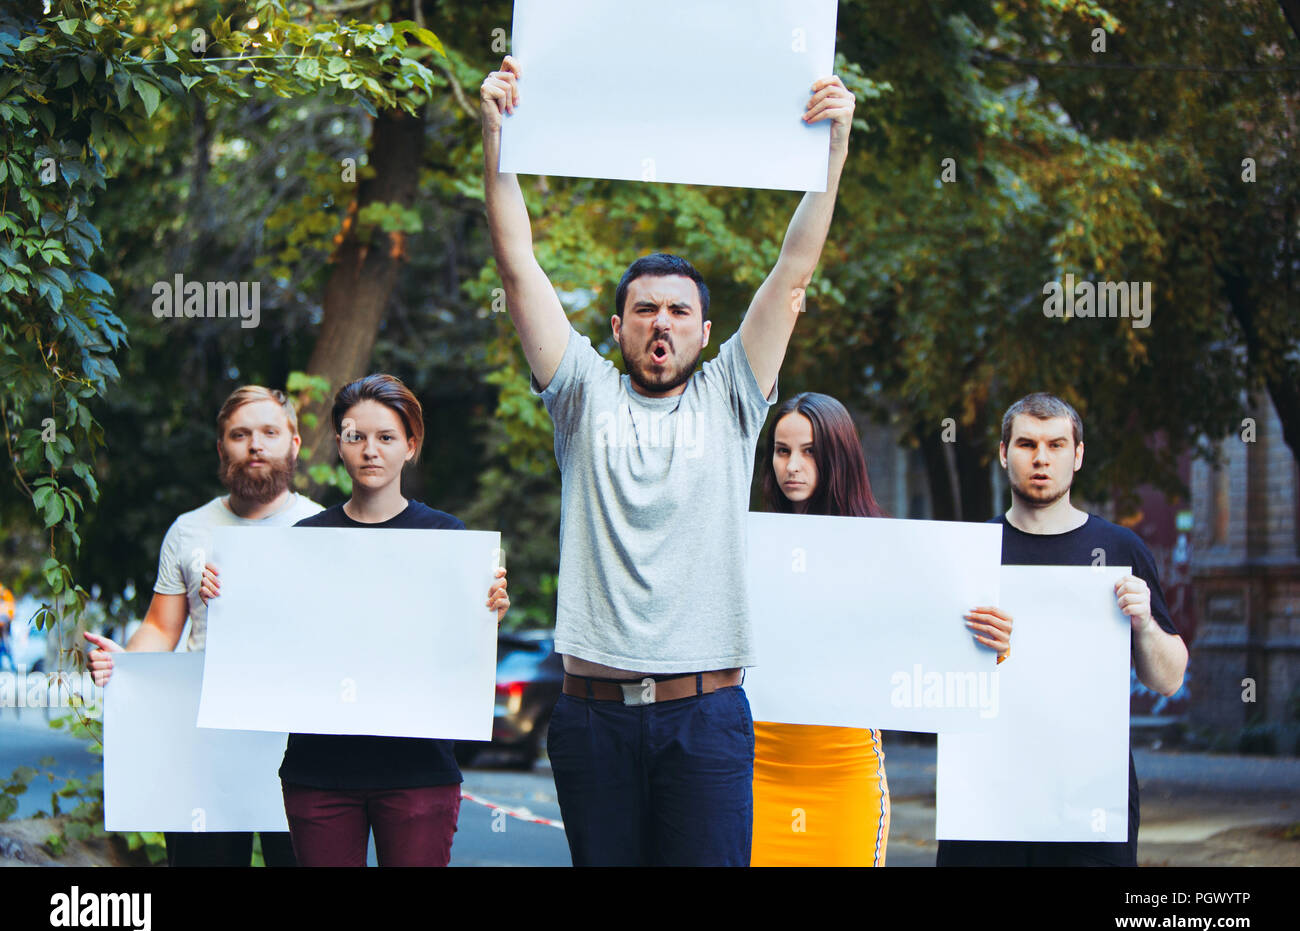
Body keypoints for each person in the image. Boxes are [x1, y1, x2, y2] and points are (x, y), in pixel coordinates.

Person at [480, 55, 856, 865]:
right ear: (616, 328)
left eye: (680, 311)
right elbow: (518, 268)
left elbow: (793, 275)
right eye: (644, 308)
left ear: (705, 332)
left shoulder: (732, 396)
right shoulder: (582, 394)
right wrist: (497, 140)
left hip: (707, 716)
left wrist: (830, 156)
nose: (662, 322)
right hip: (593, 716)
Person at [210, 374, 509, 867]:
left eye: (387, 437)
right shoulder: (303, 539)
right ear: (340, 445)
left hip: (419, 772)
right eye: (356, 436)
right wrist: (225, 597)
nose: (371, 450)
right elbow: (272, 641)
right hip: (320, 774)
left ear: (411, 446)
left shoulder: (448, 538)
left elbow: (458, 654)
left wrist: (490, 612)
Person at [755, 392, 1013, 866]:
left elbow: (941, 641)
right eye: (782, 449)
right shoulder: (753, 546)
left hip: (844, 777)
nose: (792, 464)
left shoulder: (885, 548)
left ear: (838, 457)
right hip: (755, 777)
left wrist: (992, 644)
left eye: (810, 451)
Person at [937, 391, 1188, 867]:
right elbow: (929, 680)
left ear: (1077, 456)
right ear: (1003, 454)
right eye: (1027, 444)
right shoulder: (967, 553)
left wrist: (1145, 623)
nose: (1040, 458)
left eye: (1055, 445)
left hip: (1090, 800)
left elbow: (1169, 679)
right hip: (985, 799)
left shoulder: (1121, 549)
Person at [84, 385, 324, 867]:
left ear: (294, 444)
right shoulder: (188, 529)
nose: (255, 444)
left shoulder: (325, 529)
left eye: (270, 432)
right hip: (203, 742)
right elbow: (160, 626)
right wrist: (126, 668)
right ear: (222, 448)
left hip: (301, 742)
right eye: (240, 434)